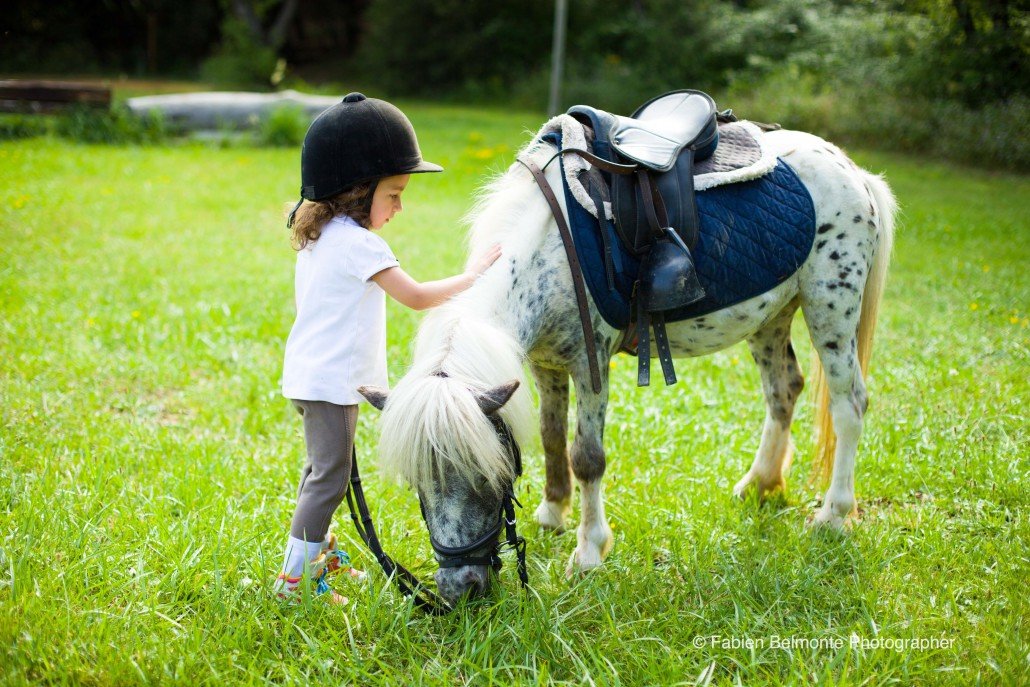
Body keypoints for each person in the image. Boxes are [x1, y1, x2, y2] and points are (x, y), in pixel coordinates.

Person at [275, 93, 501, 603]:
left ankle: (314, 558)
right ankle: (294, 584)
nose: (400, 206)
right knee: (329, 481)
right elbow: (415, 297)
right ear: (358, 190)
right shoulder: (361, 244)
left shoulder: (322, 234)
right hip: (331, 382)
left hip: (311, 376)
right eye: (394, 194)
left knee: (322, 474)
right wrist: (473, 275)